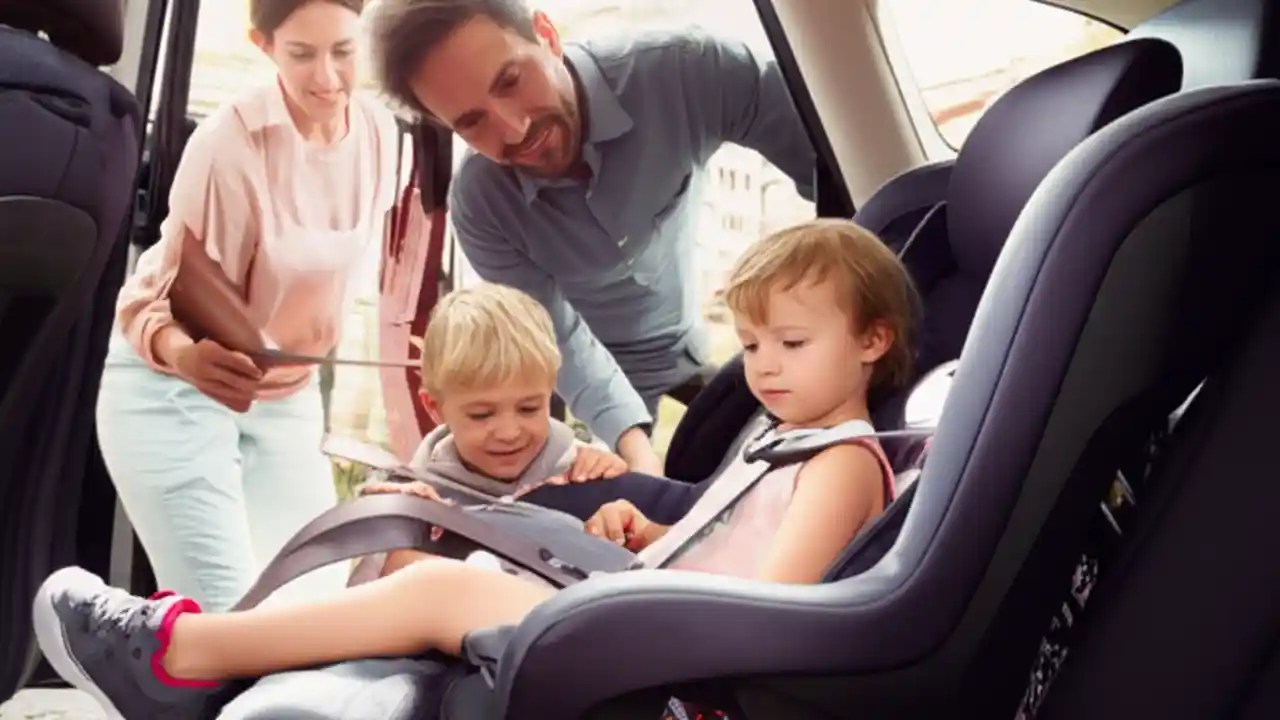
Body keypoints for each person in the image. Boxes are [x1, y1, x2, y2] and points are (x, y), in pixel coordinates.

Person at [33, 218, 916, 719]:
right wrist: (649, 534)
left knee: (440, 595)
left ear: (873, 342)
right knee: (453, 572)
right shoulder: (782, 442)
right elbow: (731, 549)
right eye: (753, 342)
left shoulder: (842, 461)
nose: (762, 366)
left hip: (681, 670)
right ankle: (237, 670)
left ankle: (183, 655)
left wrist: (637, 581)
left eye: (792, 344)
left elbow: (770, 613)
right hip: (656, 616)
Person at [366, 0, 819, 475]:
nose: (515, 128)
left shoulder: (689, 68)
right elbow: (559, 339)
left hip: (701, 346)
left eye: (511, 81)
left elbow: (839, 171)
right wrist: (636, 454)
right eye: (472, 122)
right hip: (580, 385)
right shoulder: (481, 206)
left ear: (547, 34)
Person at [94, 0, 401, 611]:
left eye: (343, 51)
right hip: (173, 391)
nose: (327, 77)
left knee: (312, 609)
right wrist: (185, 358)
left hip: (286, 397)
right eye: (301, 54)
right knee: (230, 620)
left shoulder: (380, 136)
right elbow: (157, 297)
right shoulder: (229, 142)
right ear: (264, 47)